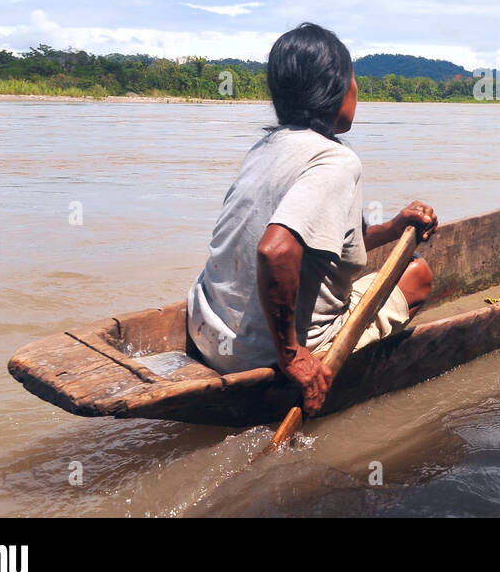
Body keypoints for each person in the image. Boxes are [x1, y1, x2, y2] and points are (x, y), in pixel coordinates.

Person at [186, 22, 439, 417]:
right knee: (418, 274)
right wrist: (292, 356)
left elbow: (324, 238)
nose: (357, 89)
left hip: (205, 331)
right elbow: (276, 251)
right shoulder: (336, 160)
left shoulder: (266, 147)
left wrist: (393, 226)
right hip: (260, 354)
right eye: (352, 77)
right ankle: (360, 382)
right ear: (336, 88)